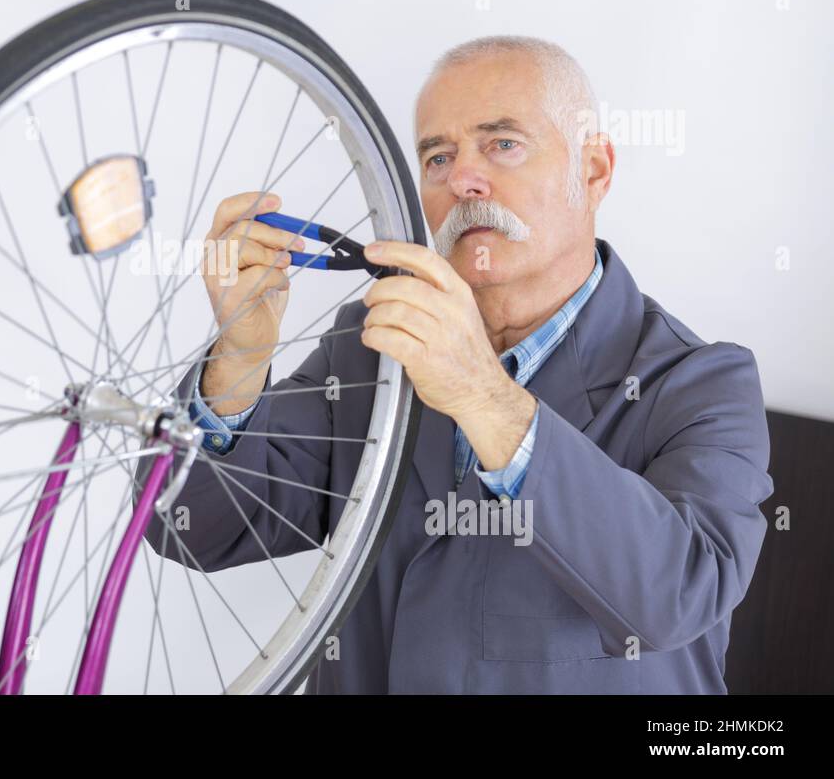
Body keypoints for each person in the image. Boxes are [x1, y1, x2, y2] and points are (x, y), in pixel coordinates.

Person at [158, 36, 772, 693]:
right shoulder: (370, 348)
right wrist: (241, 355)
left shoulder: (705, 383)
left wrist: (485, 397)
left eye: (503, 143)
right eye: (438, 156)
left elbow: (676, 593)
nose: (462, 180)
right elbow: (193, 531)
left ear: (593, 171)